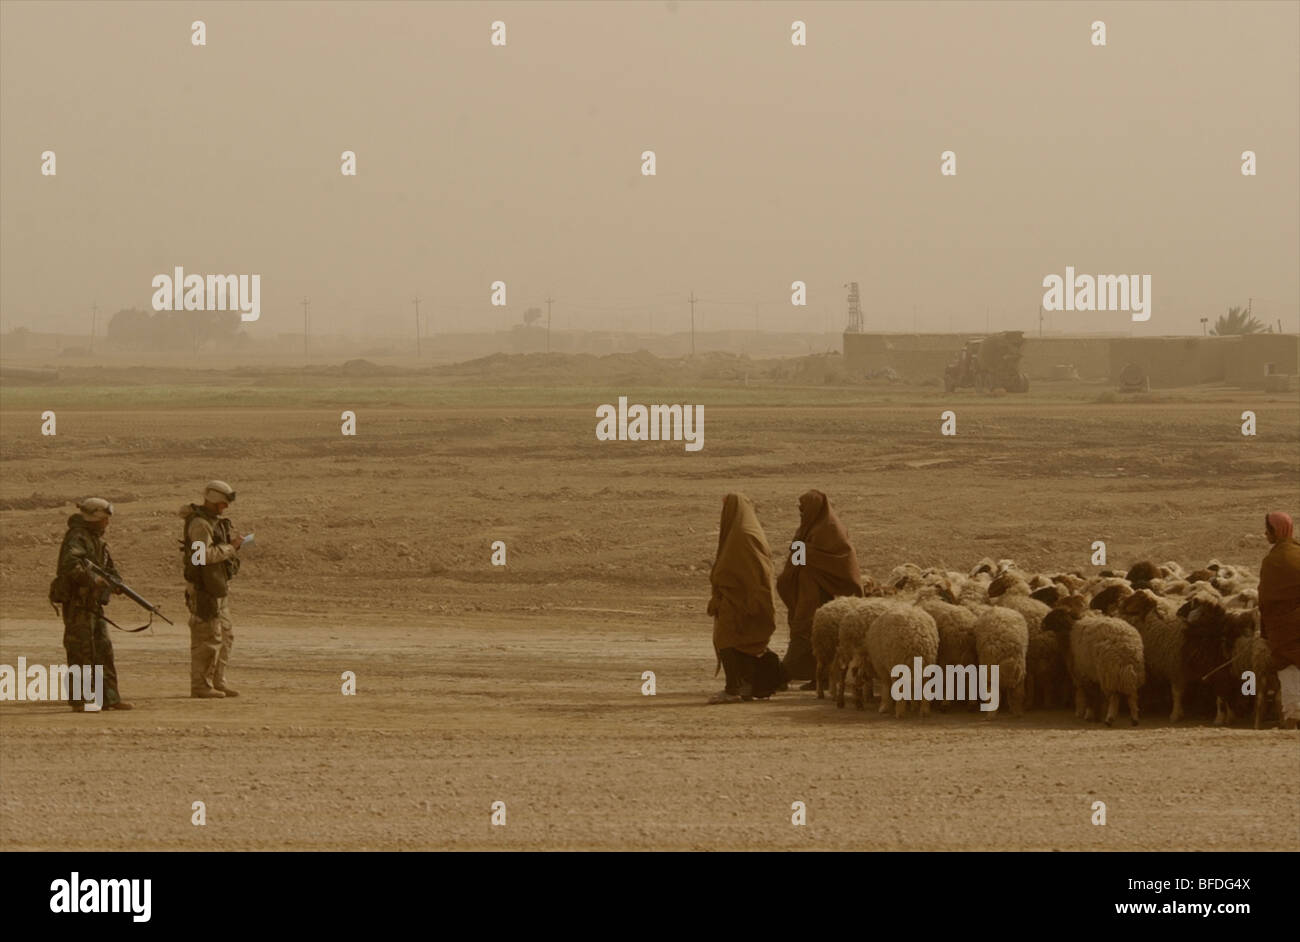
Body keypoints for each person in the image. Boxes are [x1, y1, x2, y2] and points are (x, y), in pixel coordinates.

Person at [776, 489, 864, 688]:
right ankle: (817, 677)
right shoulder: (807, 528)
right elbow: (796, 559)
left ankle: (782, 676)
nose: (800, 512)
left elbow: (841, 560)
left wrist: (807, 553)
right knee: (807, 634)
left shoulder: (831, 529)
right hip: (807, 591)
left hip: (823, 593)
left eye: (803, 508)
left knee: (809, 633)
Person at [52, 498, 131, 710]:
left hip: (93, 604)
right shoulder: (77, 537)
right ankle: (81, 700)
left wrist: (115, 583)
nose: (107, 523)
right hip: (78, 603)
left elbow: (109, 568)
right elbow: (71, 565)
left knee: (103, 649)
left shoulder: (96, 540)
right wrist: (93, 580)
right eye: (104, 519)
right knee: (81, 651)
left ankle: (108, 698)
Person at [707, 494, 783, 704]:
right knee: (740, 642)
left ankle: (734, 688)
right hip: (745, 599)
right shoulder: (744, 533)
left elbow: (738, 571)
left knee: (728, 641)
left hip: (742, 601)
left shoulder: (742, 536)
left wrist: (719, 581)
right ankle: (746, 685)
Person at [181, 481, 244, 699]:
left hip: (217, 588)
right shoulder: (200, 524)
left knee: (225, 636)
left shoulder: (213, 522)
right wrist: (230, 548)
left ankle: (217, 681)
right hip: (203, 590)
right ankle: (200, 684)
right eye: (222, 503)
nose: (224, 508)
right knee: (207, 638)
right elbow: (200, 557)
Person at [1259, 511, 1300, 729]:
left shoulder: (1271, 561)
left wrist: (1265, 631)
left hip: (1283, 629)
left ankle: (1292, 719)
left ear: (1276, 531)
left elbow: (1264, 599)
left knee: (1289, 671)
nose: (1266, 534)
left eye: (1268, 530)